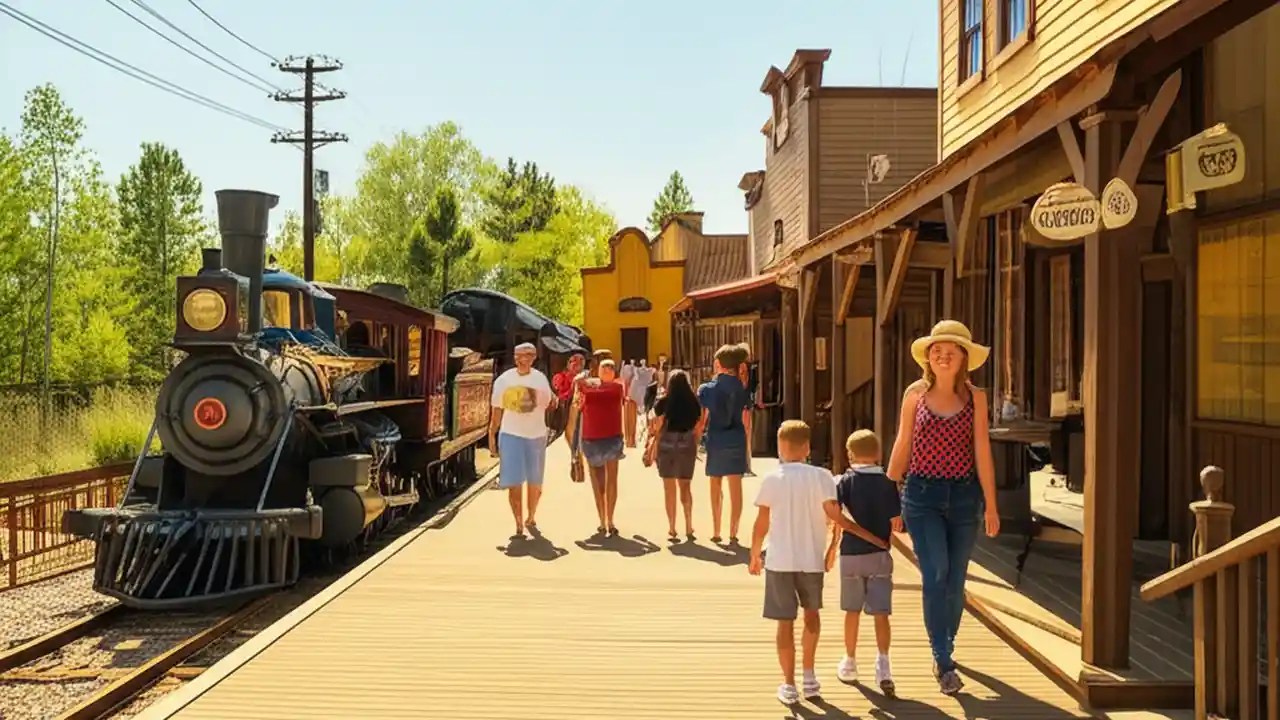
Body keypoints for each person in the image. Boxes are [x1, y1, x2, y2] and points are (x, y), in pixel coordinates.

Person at [886, 319, 1000, 696]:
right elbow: (902, 445)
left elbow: (982, 451)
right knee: (936, 573)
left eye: (951, 349)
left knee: (956, 581)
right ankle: (943, 656)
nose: (943, 354)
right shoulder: (914, 395)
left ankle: (945, 638)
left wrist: (992, 506)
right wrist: (890, 498)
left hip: (966, 498)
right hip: (921, 497)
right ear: (928, 357)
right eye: (937, 348)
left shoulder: (976, 398)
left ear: (964, 357)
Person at [748, 420, 888, 706]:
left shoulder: (772, 479)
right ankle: (809, 678)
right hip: (811, 560)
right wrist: (848, 543)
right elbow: (836, 518)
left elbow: (761, 523)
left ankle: (788, 684)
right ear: (807, 448)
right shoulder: (823, 477)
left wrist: (753, 554)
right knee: (811, 617)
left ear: (780, 447)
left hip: (779, 560)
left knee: (784, 623)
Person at [833, 429, 900, 697]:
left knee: (852, 611)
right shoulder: (888, 482)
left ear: (850, 454)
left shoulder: (844, 482)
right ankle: (883, 664)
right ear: (878, 454)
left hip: (850, 554)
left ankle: (850, 661)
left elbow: (835, 516)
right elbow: (897, 521)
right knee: (881, 613)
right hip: (880, 555)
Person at [488, 342, 557, 537]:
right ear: (514, 357)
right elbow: (497, 409)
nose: (523, 358)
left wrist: (552, 400)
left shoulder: (540, 379)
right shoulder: (503, 380)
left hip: (536, 435)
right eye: (519, 355)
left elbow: (550, 402)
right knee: (514, 481)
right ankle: (518, 522)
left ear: (534, 357)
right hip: (511, 434)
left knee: (535, 481)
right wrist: (492, 434)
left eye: (528, 355)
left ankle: (531, 515)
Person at [698, 344, 752, 544]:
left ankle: (716, 530)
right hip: (737, 438)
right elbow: (746, 418)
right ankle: (733, 532)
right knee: (735, 487)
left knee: (715, 485)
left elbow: (703, 419)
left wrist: (698, 436)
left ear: (718, 363)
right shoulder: (742, 388)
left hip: (716, 438)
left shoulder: (706, 389)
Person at [646, 369, 703, 540]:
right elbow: (698, 423)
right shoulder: (693, 401)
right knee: (685, 487)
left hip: (667, 444)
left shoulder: (664, 401)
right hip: (687, 442)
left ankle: (672, 528)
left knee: (669, 488)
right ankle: (689, 525)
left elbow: (653, 420)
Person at [576, 359, 626, 535]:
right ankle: (602, 518)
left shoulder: (617, 387)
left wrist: (581, 382)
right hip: (591, 437)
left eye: (611, 367)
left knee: (611, 480)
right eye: (605, 367)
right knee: (598, 483)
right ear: (598, 370)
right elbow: (580, 404)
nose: (608, 370)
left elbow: (592, 394)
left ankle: (610, 519)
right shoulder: (590, 387)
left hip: (611, 437)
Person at [553, 352, 587, 482]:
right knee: (572, 438)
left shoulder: (587, 376)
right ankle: (576, 460)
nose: (577, 363)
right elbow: (561, 395)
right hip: (567, 413)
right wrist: (574, 385)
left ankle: (578, 462)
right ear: (568, 364)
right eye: (574, 360)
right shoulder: (560, 377)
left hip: (583, 412)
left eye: (581, 360)